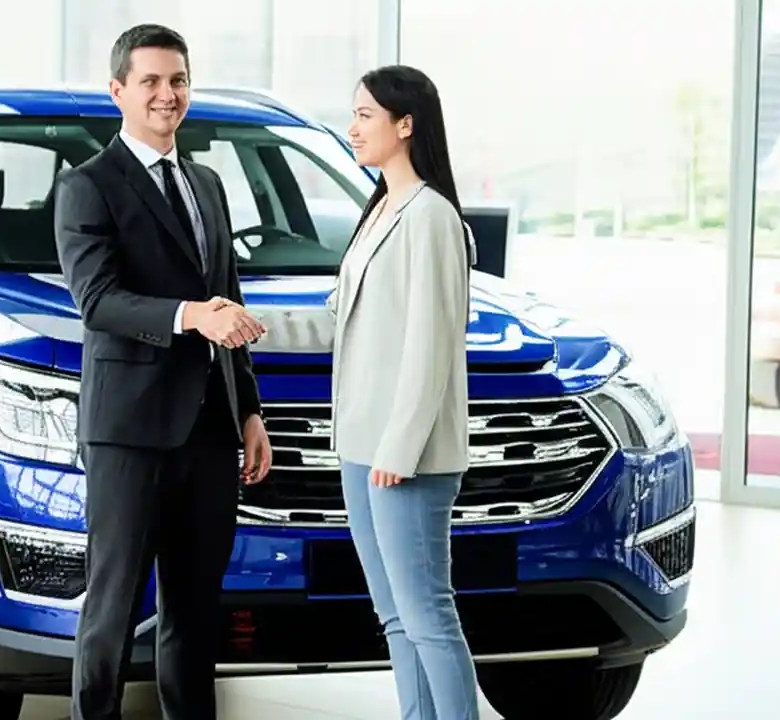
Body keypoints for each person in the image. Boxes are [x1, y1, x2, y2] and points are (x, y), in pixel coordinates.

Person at [52, 22, 275, 720]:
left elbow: (227, 298)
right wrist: (189, 315)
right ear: (118, 90)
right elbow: (99, 301)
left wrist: (250, 410)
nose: (166, 94)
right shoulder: (87, 187)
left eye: (177, 80)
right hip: (130, 431)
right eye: (150, 81)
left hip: (210, 429)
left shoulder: (207, 183)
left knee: (195, 611)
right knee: (114, 608)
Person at [329, 65, 479, 720]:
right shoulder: (380, 210)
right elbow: (344, 314)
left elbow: (433, 345)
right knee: (394, 618)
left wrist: (400, 446)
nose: (353, 127)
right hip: (360, 446)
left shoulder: (432, 218)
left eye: (365, 115)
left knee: (428, 615)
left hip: (403, 455)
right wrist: (243, 322)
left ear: (405, 124)